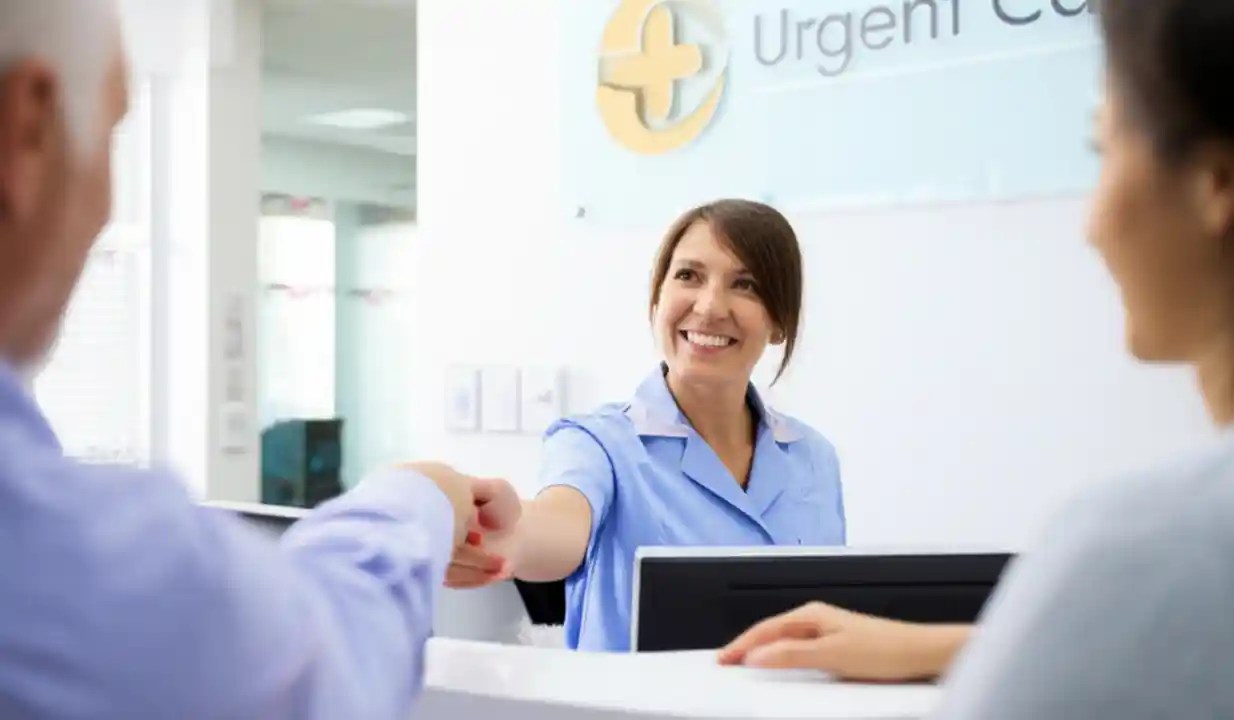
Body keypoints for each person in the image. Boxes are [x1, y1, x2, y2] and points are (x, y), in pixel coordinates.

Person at [722, 0, 1234, 716]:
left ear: (1217, 184)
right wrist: (956, 646)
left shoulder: (1154, 548)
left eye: (1102, 149)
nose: (1090, 225)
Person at [0, 2, 521, 717]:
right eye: (114, 131)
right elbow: (330, 654)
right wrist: (418, 495)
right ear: (26, 129)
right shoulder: (74, 562)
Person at [447, 199, 848, 652]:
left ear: (779, 321)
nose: (711, 305)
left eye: (746, 284)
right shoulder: (596, 444)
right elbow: (557, 526)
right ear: (657, 300)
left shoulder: (814, 458)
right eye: (688, 276)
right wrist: (508, 535)